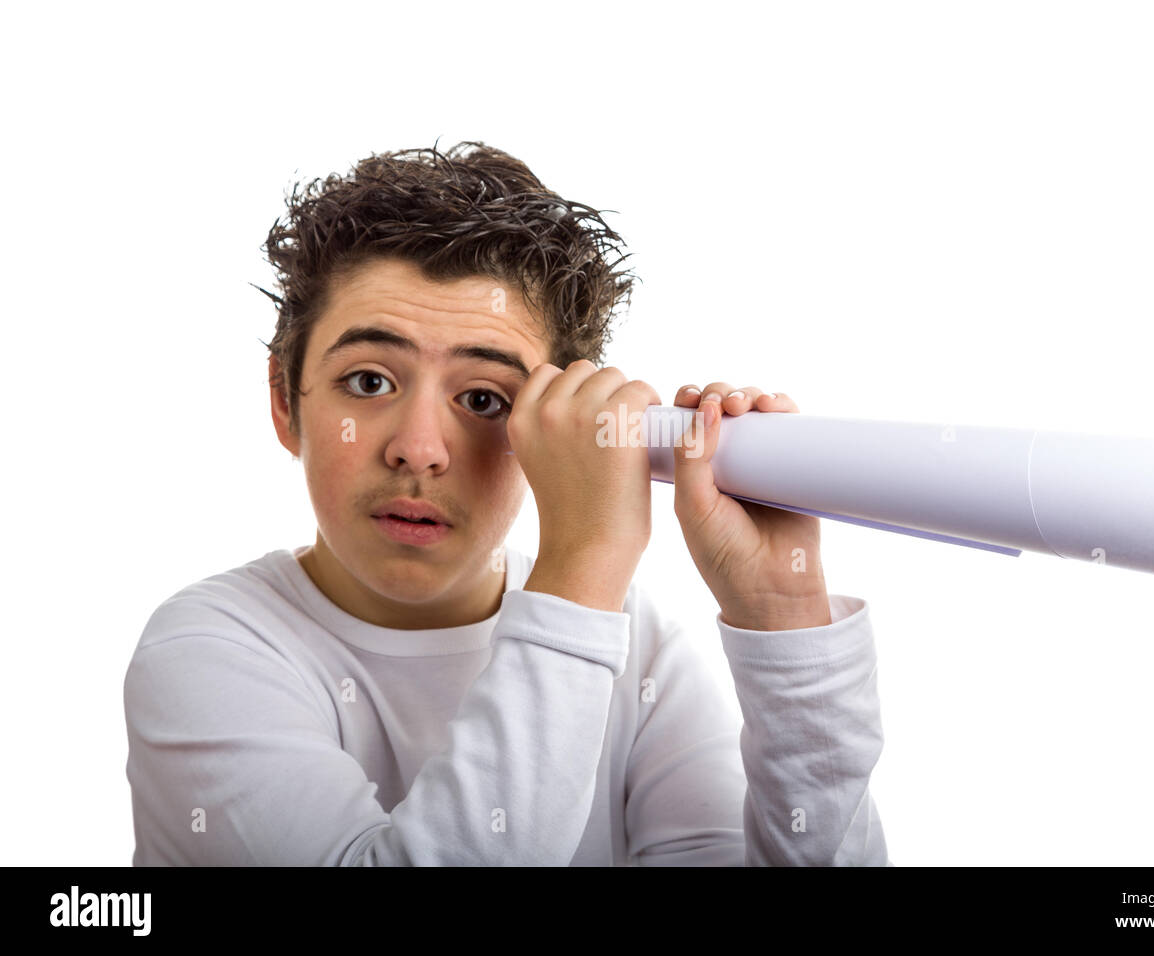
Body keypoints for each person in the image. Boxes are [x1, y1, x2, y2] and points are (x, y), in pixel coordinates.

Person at [122, 141, 890, 865]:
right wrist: (586, 560)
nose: (419, 449)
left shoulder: (641, 650)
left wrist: (781, 615)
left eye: (485, 397)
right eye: (369, 382)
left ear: (559, 432)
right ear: (285, 403)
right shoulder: (208, 649)